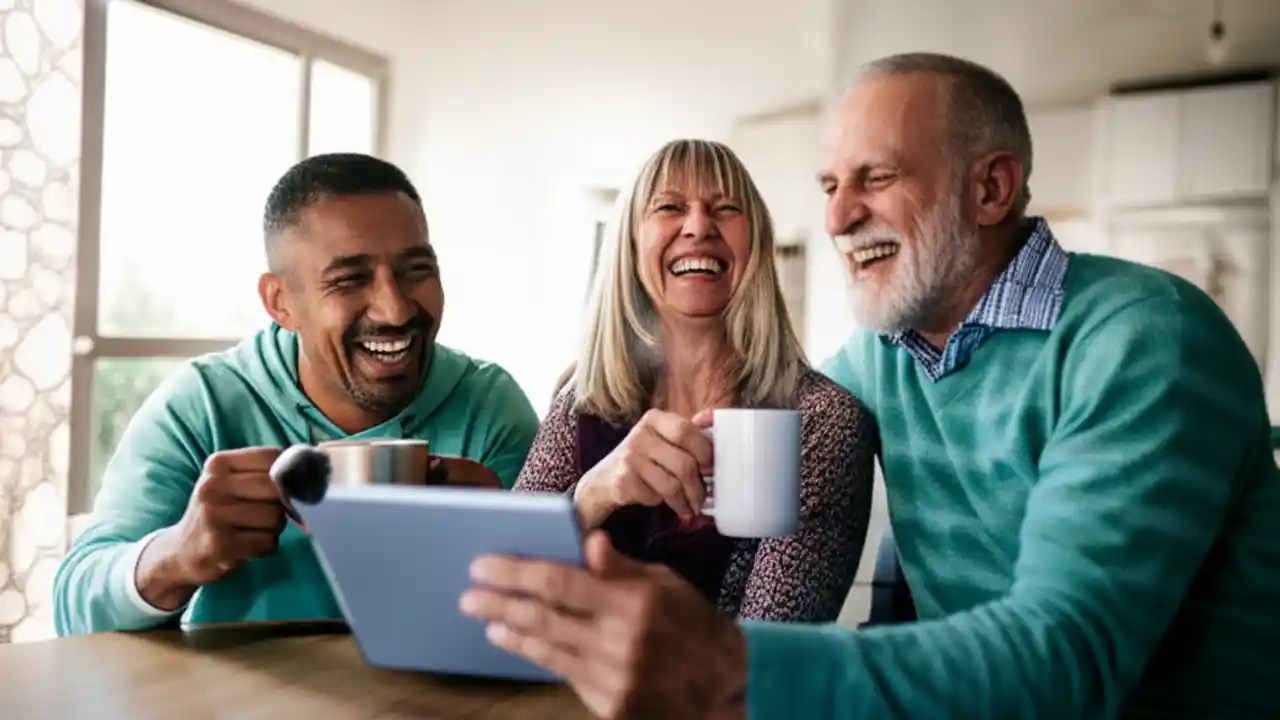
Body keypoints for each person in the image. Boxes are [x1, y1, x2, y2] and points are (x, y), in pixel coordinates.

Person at [460, 54, 1280, 719]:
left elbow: (1071, 658)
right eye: (827, 187)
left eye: (876, 178)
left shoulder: (1141, 336)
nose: (839, 217)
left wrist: (729, 667)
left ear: (991, 188)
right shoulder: (878, 361)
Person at [55, 153, 539, 635]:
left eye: (416, 269)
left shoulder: (489, 406)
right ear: (280, 302)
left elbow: (553, 618)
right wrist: (178, 555)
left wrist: (501, 540)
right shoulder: (203, 404)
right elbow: (74, 606)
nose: (394, 310)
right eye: (350, 279)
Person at [515, 139, 876, 622]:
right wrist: (594, 494)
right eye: (669, 207)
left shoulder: (821, 420)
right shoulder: (582, 400)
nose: (699, 226)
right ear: (630, 244)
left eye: (726, 209)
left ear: (757, 245)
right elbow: (502, 584)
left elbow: (766, 645)